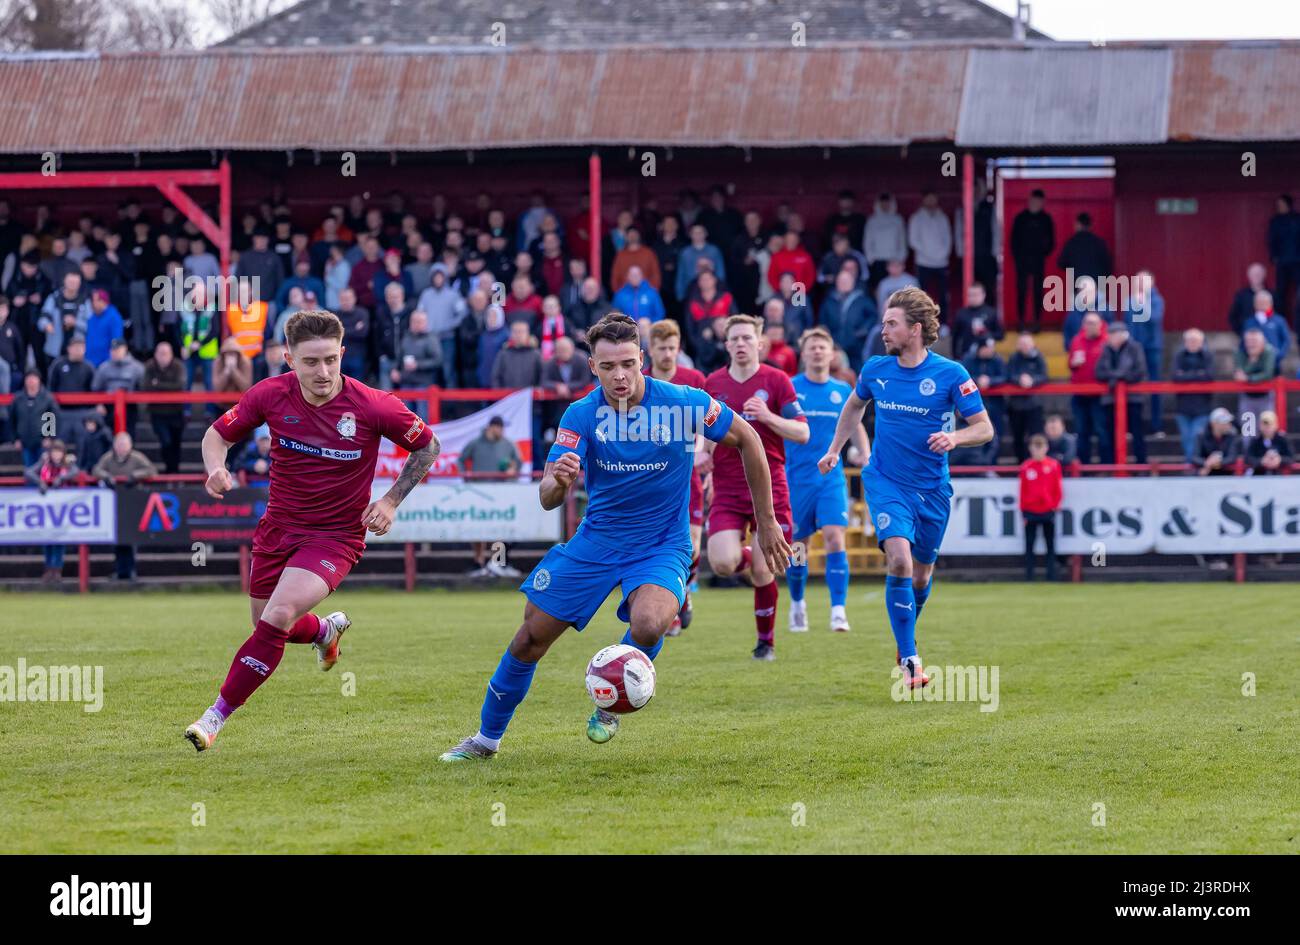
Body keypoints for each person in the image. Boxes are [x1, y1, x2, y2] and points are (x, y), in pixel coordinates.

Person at [438, 313, 788, 761]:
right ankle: (485, 741)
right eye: (608, 367)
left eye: (627, 363)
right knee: (530, 637)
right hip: (597, 541)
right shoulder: (581, 413)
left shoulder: (685, 402)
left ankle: (612, 695)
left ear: (642, 359)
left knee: (650, 622)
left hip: (662, 544)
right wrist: (559, 482)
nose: (619, 375)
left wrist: (767, 520)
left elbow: (750, 441)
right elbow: (547, 496)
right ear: (593, 367)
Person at [183, 309, 441, 752]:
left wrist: (390, 500)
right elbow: (216, 435)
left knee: (276, 617)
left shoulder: (373, 405)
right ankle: (323, 632)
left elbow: (427, 444)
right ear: (288, 359)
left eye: (330, 360)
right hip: (277, 530)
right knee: (269, 624)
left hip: (335, 537)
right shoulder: (269, 395)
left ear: (342, 354)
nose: (322, 372)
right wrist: (215, 469)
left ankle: (214, 717)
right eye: (310, 362)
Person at [819, 286, 994, 689]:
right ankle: (911, 658)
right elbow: (854, 407)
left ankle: (904, 636)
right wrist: (835, 450)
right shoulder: (876, 370)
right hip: (886, 481)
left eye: (891, 324)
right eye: (883, 323)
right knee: (898, 559)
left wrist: (955, 439)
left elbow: (984, 428)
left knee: (921, 573)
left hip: (933, 490)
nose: (884, 330)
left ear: (914, 329)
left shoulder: (951, 374)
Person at [701, 314, 809, 662]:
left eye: (748, 338)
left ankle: (766, 643)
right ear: (727, 344)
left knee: (766, 572)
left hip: (770, 488)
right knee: (721, 563)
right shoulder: (713, 384)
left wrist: (767, 416)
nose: (741, 344)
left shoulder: (777, 381)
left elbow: (802, 432)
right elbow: (703, 436)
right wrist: (703, 457)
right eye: (735, 339)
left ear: (760, 343)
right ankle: (748, 554)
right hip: (728, 488)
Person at [784, 327, 870, 633]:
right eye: (812, 347)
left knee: (836, 536)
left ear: (832, 354)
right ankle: (797, 604)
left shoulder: (842, 390)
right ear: (803, 353)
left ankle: (838, 610)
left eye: (823, 347)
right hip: (796, 479)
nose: (818, 351)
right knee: (799, 546)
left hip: (830, 478)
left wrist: (863, 450)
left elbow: (855, 422)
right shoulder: (791, 388)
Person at [643, 320, 708, 634]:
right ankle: (674, 608)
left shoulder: (693, 379)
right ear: (650, 350)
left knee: (692, 547)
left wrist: (705, 452)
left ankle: (682, 597)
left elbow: (711, 421)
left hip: (688, 475)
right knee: (661, 546)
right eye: (662, 348)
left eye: (672, 348)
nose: (668, 354)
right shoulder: (640, 383)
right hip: (652, 480)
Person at [458, 416, 523, 578]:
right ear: (491, 428)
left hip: (501, 493)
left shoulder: (508, 444)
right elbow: (461, 460)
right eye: (499, 428)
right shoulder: (475, 443)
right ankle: (478, 563)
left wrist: (512, 471)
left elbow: (518, 463)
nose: (501, 431)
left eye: (502, 428)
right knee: (477, 529)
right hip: (479, 492)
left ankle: (497, 563)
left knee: (499, 528)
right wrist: (466, 476)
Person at [92, 431, 157, 582]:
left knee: (130, 538)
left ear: (130, 446)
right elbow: (96, 470)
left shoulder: (137, 458)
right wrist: (107, 477)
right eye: (119, 445)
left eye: (124, 445)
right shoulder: (108, 458)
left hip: (132, 503)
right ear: (114, 446)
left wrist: (135, 476)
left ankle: (131, 570)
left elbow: (151, 471)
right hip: (114, 505)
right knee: (117, 539)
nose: (121, 448)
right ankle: (121, 571)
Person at [24, 438, 79, 584]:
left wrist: (62, 478)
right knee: (47, 538)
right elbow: (28, 472)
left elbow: (76, 472)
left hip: (62, 509)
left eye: (59, 452)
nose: (56, 455)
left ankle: (57, 569)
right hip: (46, 509)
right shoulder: (44, 464)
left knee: (59, 540)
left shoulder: (68, 464)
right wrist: (40, 482)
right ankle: (48, 568)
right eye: (54, 452)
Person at [1094, 321, 1148, 464]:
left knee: (1137, 434)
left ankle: (1141, 466)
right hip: (1110, 400)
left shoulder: (1135, 348)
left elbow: (1139, 372)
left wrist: (1116, 378)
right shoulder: (1105, 350)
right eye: (1110, 334)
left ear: (1123, 334)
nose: (1111, 337)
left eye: (1114, 334)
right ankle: (1110, 466)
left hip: (1133, 399)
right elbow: (1099, 373)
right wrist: (1120, 376)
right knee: (1109, 435)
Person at [1019, 434, 1062, 582]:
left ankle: (1051, 577)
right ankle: (1029, 577)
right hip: (1030, 511)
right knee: (1029, 546)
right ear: (1030, 449)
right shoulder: (1026, 467)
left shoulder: (1053, 465)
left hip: (1047, 511)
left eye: (1040, 447)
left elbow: (1057, 488)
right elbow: (1023, 491)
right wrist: (1023, 509)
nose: (1037, 451)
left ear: (1046, 448)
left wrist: (1054, 506)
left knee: (1050, 546)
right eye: (1035, 448)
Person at [1067, 312, 1109, 463]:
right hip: (1080, 395)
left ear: (1100, 325)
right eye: (1088, 323)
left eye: (1094, 323)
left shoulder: (1106, 341)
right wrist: (1074, 363)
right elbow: (1070, 364)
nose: (1091, 327)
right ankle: (1084, 468)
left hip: (1100, 395)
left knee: (1102, 431)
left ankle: (1106, 467)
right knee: (1081, 431)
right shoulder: (1077, 341)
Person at [1010, 189, 1054, 330]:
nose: (1036, 204)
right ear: (1029, 201)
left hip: (1038, 261)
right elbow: (1013, 240)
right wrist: (1018, 256)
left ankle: (1037, 322)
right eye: (1034, 201)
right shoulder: (1021, 218)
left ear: (1042, 203)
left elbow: (1051, 241)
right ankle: (1021, 321)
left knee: (1038, 291)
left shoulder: (1046, 219)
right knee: (1022, 290)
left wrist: (1043, 253)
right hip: (1022, 261)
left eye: (1039, 202)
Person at [1170, 328, 1213, 464]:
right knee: (1185, 438)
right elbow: (1175, 376)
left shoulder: (1207, 356)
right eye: (1189, 340)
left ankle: (1192, 464)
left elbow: (1209, 376)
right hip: (1183, 406)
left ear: (1202, 342)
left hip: (1202, 406)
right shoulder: (1179, 356)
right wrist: (1197, 375)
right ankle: (1192, 463)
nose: (1192, 343)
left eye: (1195, 340)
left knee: (1196, 436)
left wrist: (1186, 376)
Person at [1005, 331, 1047, 463]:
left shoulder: (1039, 357)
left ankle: (1035, 462)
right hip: (1016, 405)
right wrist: (1019, 380)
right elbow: (1009, 375)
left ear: (1033, 344)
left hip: (1034, 405)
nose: (1025, 346)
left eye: (1027, 343)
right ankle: (1021, 464)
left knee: (1035, 436)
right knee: (1017, 437)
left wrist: (1032, 380)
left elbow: (1044, 376)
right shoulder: (1013, 358)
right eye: (1022, 344)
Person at [1242, 410, 1293, 474]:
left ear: (1276, 425)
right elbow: (1247, 458)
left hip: (1279, 476)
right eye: (1264, 424)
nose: (1267, 428)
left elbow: (1291, 458)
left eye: (1270, 425)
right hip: (1258, 476)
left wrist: (1279, 460)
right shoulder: (1255, 440)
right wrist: (1261, 461)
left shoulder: (1282, 440)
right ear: (1260, 425)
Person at [1194, 408, 1240, 476]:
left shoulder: (1231, 436)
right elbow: (1195, 457)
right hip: (1206, 474)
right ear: (1214, 423)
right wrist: (1206, 463)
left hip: (1226, 474)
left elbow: (1232, 457)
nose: (1229, 424)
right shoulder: (1201, 436)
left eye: (1229, 422)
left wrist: (1216, 462)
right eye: (1225, 422)